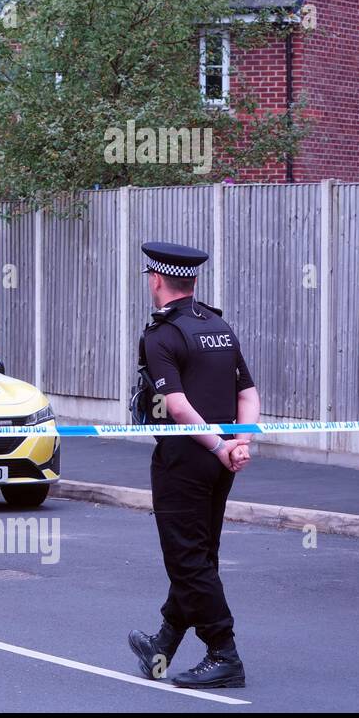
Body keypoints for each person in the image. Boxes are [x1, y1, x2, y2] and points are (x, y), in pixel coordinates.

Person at [128, 242, 259, 689]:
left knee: (187, 559)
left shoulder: (161, 335)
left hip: (185, 461)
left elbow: (179, 407)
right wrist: (239, 443)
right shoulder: (218, 325)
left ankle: (224, 652)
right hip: (219, 464)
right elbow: (248, 393)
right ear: (193, 281)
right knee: (200, 555)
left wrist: (221, 446)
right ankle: (161, 645)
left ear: (156, 280)